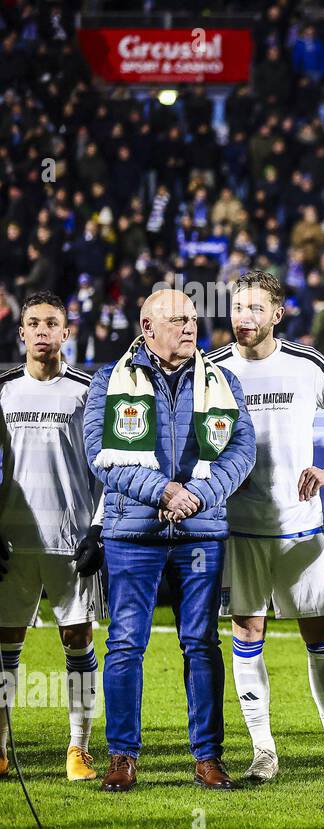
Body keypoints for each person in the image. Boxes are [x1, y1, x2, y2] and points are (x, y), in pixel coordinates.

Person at [209, 271, 324, 782]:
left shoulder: (307, 365)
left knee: (321, 634)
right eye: (238, 308)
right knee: (247, 631)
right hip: (240, 527)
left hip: (301, 526)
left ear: (277, 314)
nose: (244, 317)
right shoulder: (212, 370)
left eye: (256, 308)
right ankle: (263, 754)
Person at [84, 288, 256, 792]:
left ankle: (207, 757)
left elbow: (241, 452)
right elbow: (101, 454)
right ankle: (122, 756)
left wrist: (196, 496)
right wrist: (162, 492)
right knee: (124, 645)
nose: (188, 327)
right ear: (146, 327)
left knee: (201, 644)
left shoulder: (222, 381)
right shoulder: (107, 382)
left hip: (199, 532)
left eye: (193, 319)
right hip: (132, 532)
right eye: (177, 319)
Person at [0, 292, 103, 781]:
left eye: (52, 324)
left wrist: (99, 530)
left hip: (72, 541)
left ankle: (78, 749)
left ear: (67, 332)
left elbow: (108, 469)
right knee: (5, 643)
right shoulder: (2, 391)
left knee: (78, 640)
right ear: (21, 333)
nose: (43, 331)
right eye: (34, 323)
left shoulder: (86, 392)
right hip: (12, 543)